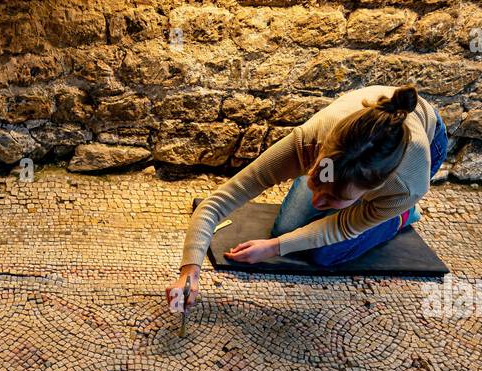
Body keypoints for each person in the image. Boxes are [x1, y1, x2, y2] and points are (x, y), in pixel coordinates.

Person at [167, 85, 448, 309]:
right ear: (319, 156)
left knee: (325, 253)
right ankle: (333, 191)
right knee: (289, 230)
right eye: (316, 181)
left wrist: (274, 248)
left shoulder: (405, 186)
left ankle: (400, 216)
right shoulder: (309, 141)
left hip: (428, 138)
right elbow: (217, 202)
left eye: (332, 199)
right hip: (371, 127)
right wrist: (189, 271)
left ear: (369, 191)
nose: (317, 202)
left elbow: (341, 226)